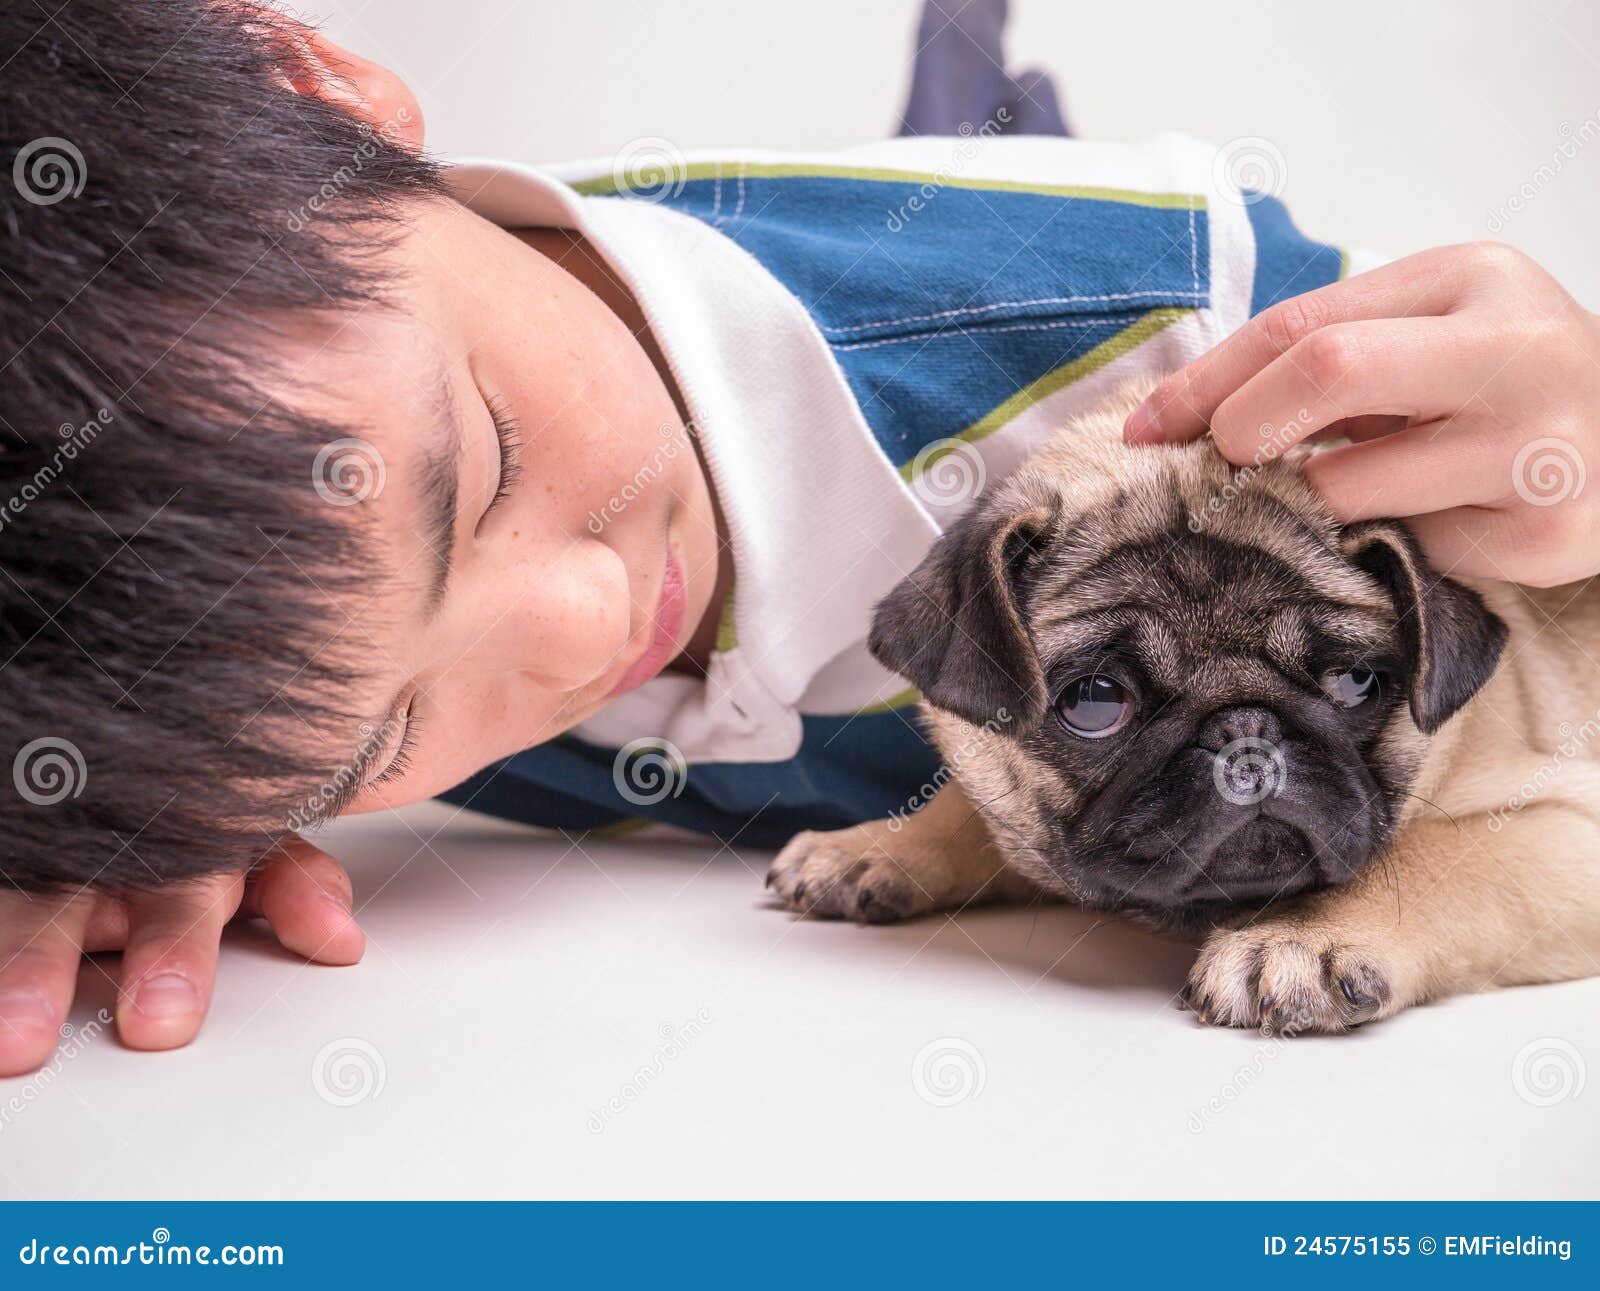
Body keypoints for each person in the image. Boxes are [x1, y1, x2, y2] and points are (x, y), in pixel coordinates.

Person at [1, 0, 1593, 1079]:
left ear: (318, 100)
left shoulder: (1201, 327)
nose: (573, 633)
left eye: (481, 469)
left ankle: (976, 93)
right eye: (377, 734)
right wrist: (135, 794)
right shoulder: (235, 684)